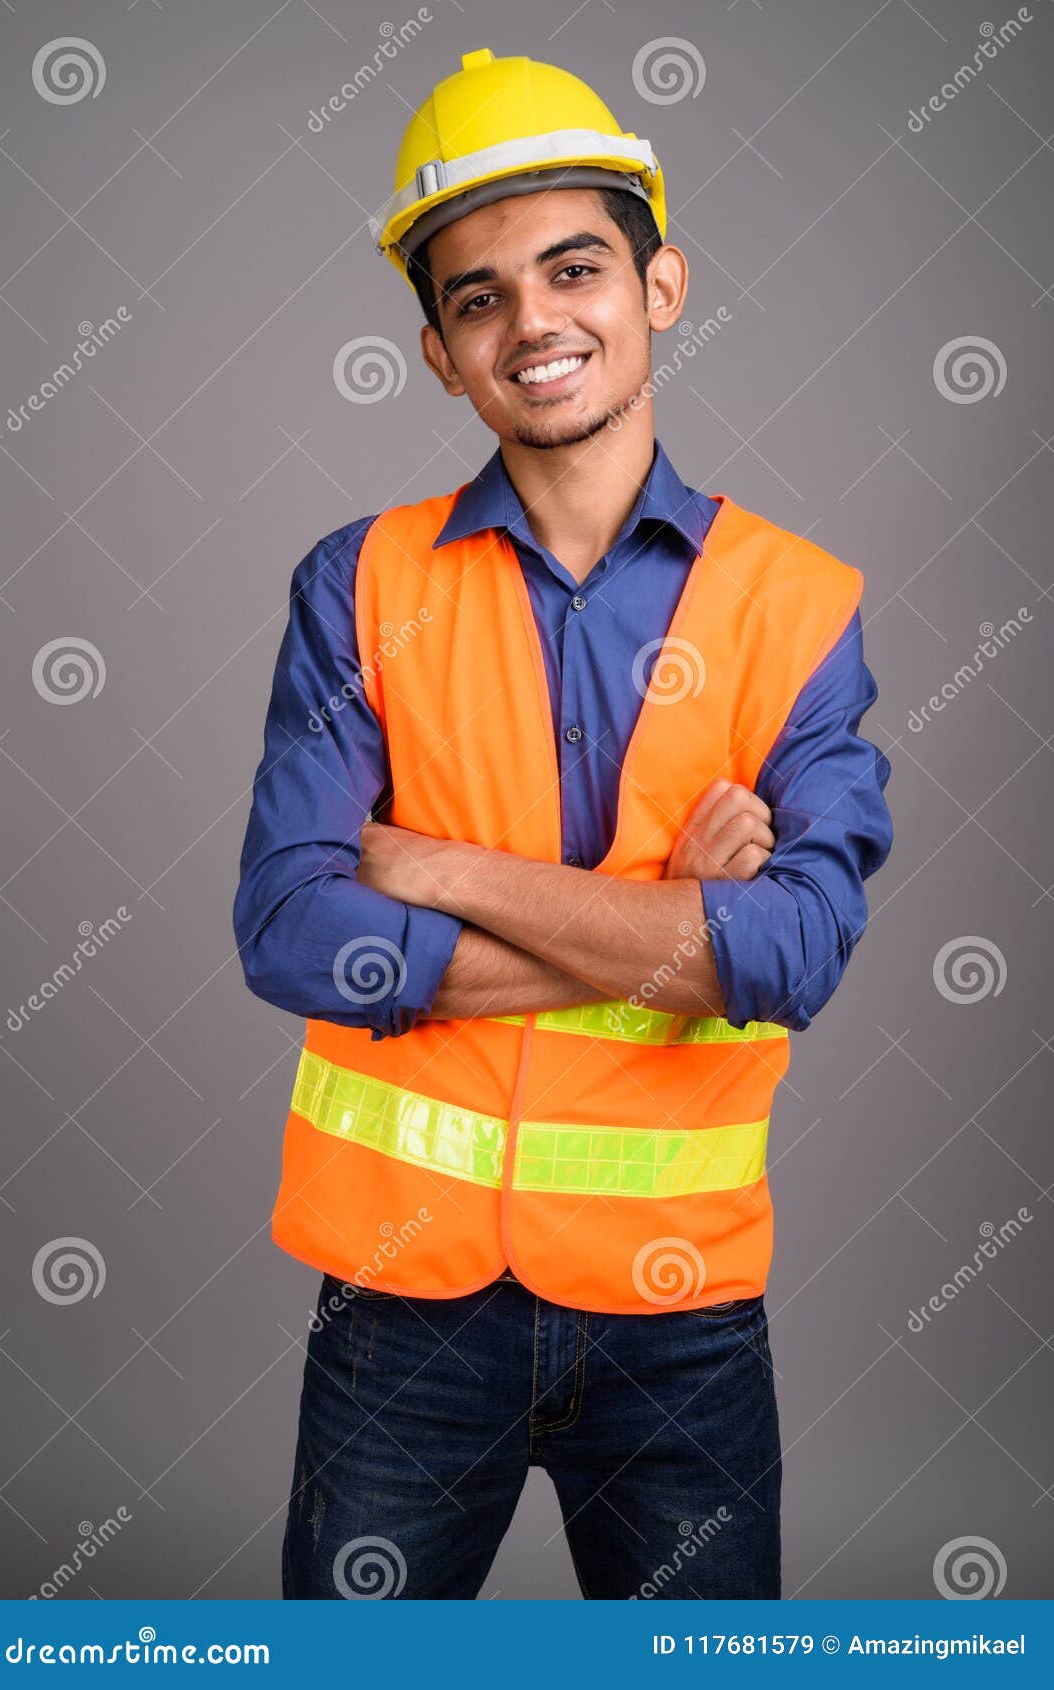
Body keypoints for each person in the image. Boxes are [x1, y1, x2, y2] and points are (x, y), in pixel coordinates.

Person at [232, 47, 893, 1601]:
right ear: (439, 353)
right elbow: (288, 930)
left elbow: (791, 951)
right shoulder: (360, 586)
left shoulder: (799, 606)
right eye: (478, 297)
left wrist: (437, 867)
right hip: (402, 1298)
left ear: (661, 286)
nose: (534, 321)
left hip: (684, 1318)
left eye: (573, 267)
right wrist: (670, 927)